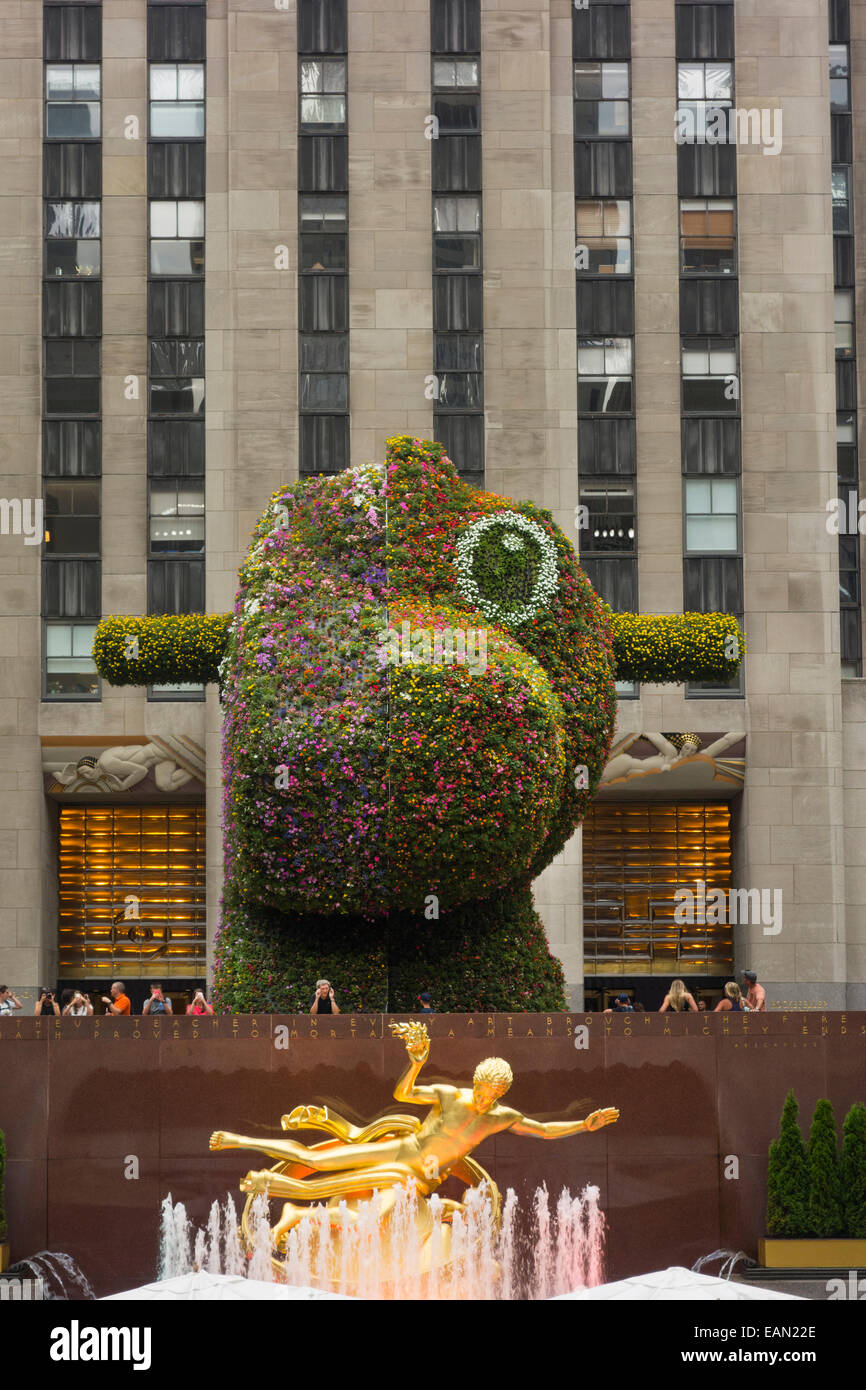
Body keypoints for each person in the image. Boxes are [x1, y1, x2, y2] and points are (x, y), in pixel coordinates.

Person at [209, 1022, 619, 1225]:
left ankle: (283, 1196)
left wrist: (584, 1124)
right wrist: (417, 1062)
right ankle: (238, 1139)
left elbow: (544, 1131)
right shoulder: (449, 1095)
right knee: (319, 1160)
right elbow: (403, 1094)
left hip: (421, 1179)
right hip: (405, 1150)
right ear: (476, 1081)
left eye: (493, 1092)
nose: (484, 1096)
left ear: (500, 1092)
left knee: (360, 1206)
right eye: (482, 1087)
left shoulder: (500, 1118)